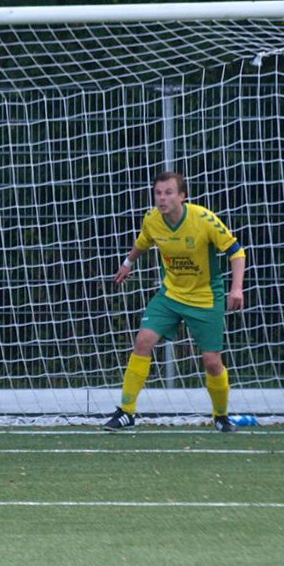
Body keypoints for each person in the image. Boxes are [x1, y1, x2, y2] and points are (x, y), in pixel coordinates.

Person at [104, 171, 247, 432]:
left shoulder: (204, 220)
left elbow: (236, 252)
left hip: (205, 297)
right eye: (158, 193)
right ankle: (126, 411)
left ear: (182, 196)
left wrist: (236, 288)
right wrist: (127, 263)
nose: (162, 198)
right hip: (170, 295)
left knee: (212, 361)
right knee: (143, 340)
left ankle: (221, 416)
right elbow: (143, 242)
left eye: (168, 193)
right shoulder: (152, 219)